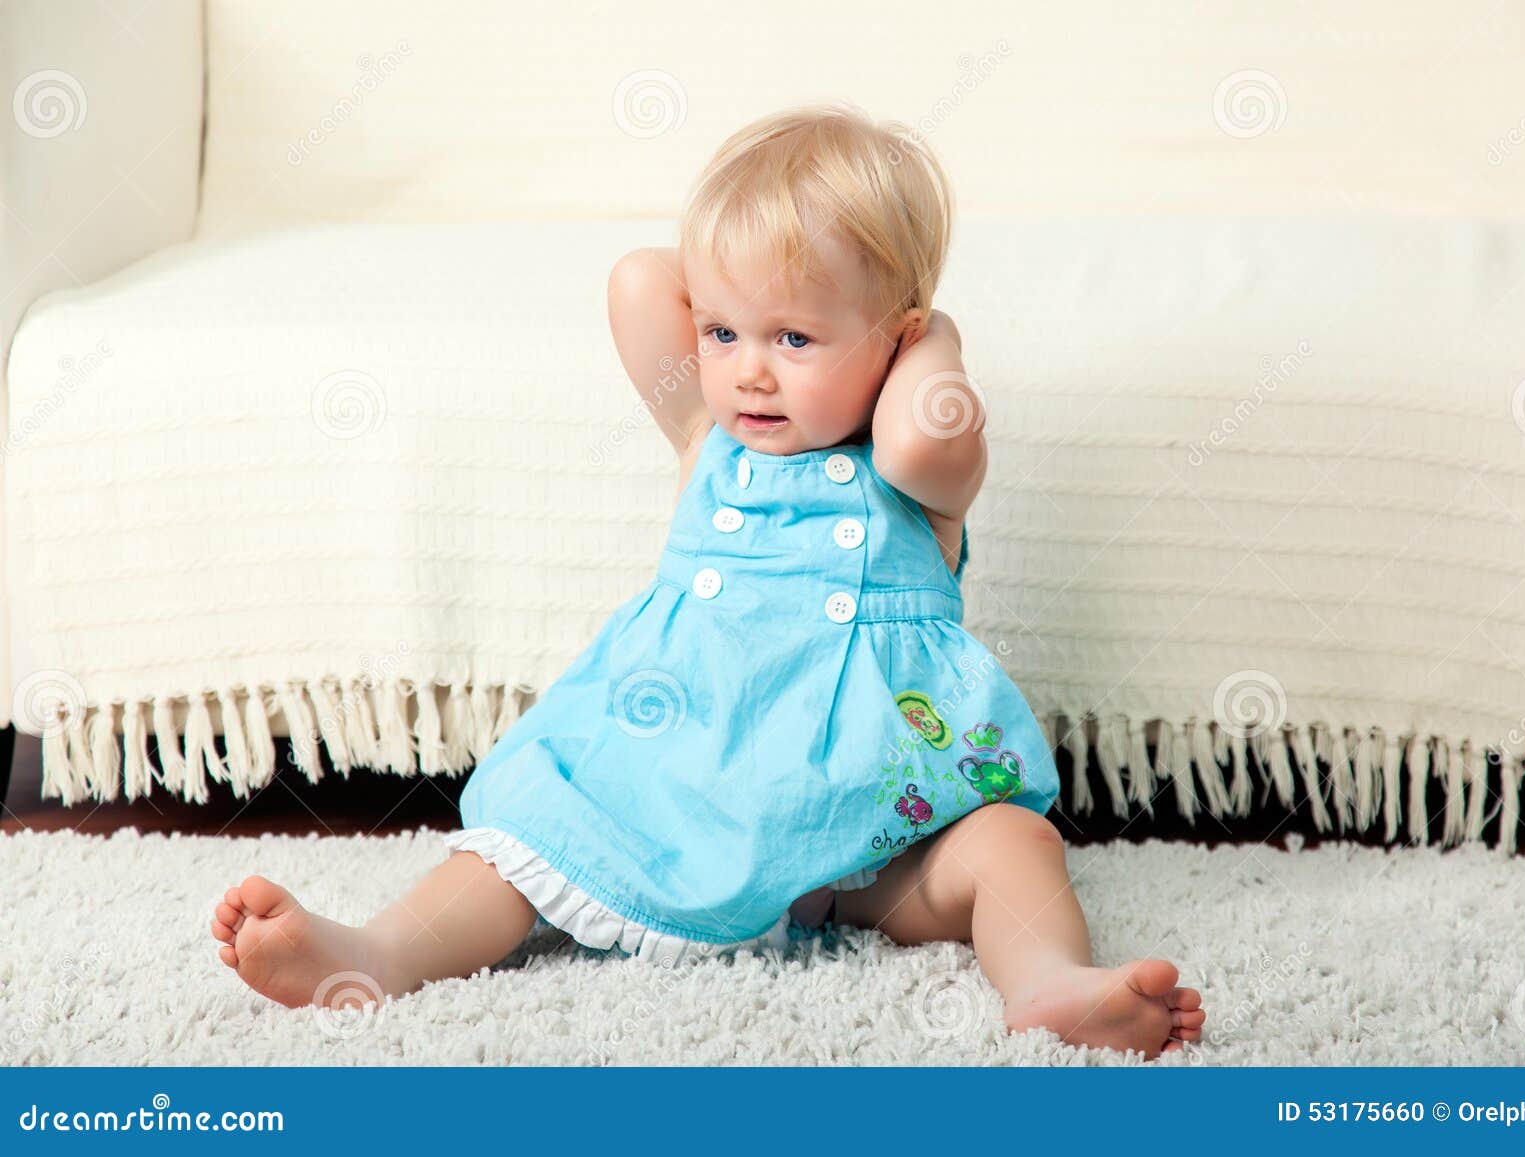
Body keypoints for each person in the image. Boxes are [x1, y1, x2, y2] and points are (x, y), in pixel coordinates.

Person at [211, 102, 1204, 1059]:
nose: (747, 372)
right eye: (724, 332)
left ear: (898, 342)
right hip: (669, 791)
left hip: (867, 834)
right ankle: (376, 953)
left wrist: (929, 335)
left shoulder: (920, 483)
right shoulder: (705, 437)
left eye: (795, 338)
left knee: (1009, 841)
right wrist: (759, 290)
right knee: (520, 840)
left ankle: (1045, 981)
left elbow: (923, 426)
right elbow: (639, 278)